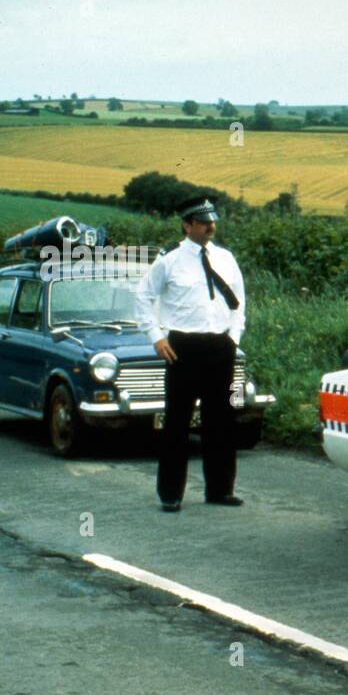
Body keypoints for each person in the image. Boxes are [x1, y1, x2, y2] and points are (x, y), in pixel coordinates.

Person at [134, 197, 247, 512]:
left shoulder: (226, 258)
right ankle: (171, 494)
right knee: (177, 423)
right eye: (202, 222)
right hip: (183, 347)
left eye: (212, 221)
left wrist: (233, 339)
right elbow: (143, 296)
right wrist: (156, 337)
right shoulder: (169, 260)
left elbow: (239, 303)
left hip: (219, 346)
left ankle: (220, 489)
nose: (210, 226)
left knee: (221, 421)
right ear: (186, 225)